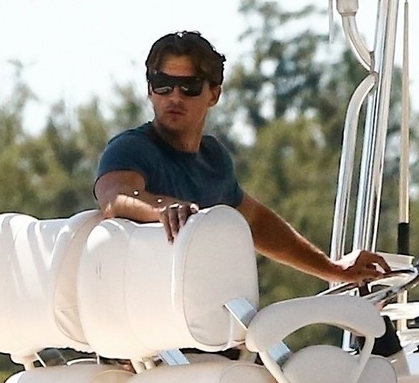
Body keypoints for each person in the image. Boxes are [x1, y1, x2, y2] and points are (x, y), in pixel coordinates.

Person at [94, 30, 393, 285]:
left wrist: (334, 269)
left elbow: (257, 223)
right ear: (150, 90)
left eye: (189, 87)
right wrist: (162, 208)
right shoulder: (131, 148)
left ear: (213, 94)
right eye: (163, 84)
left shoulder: (214, 158)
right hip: (148, 331)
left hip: (201, 329)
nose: (174, 96)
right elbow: (114, 197)